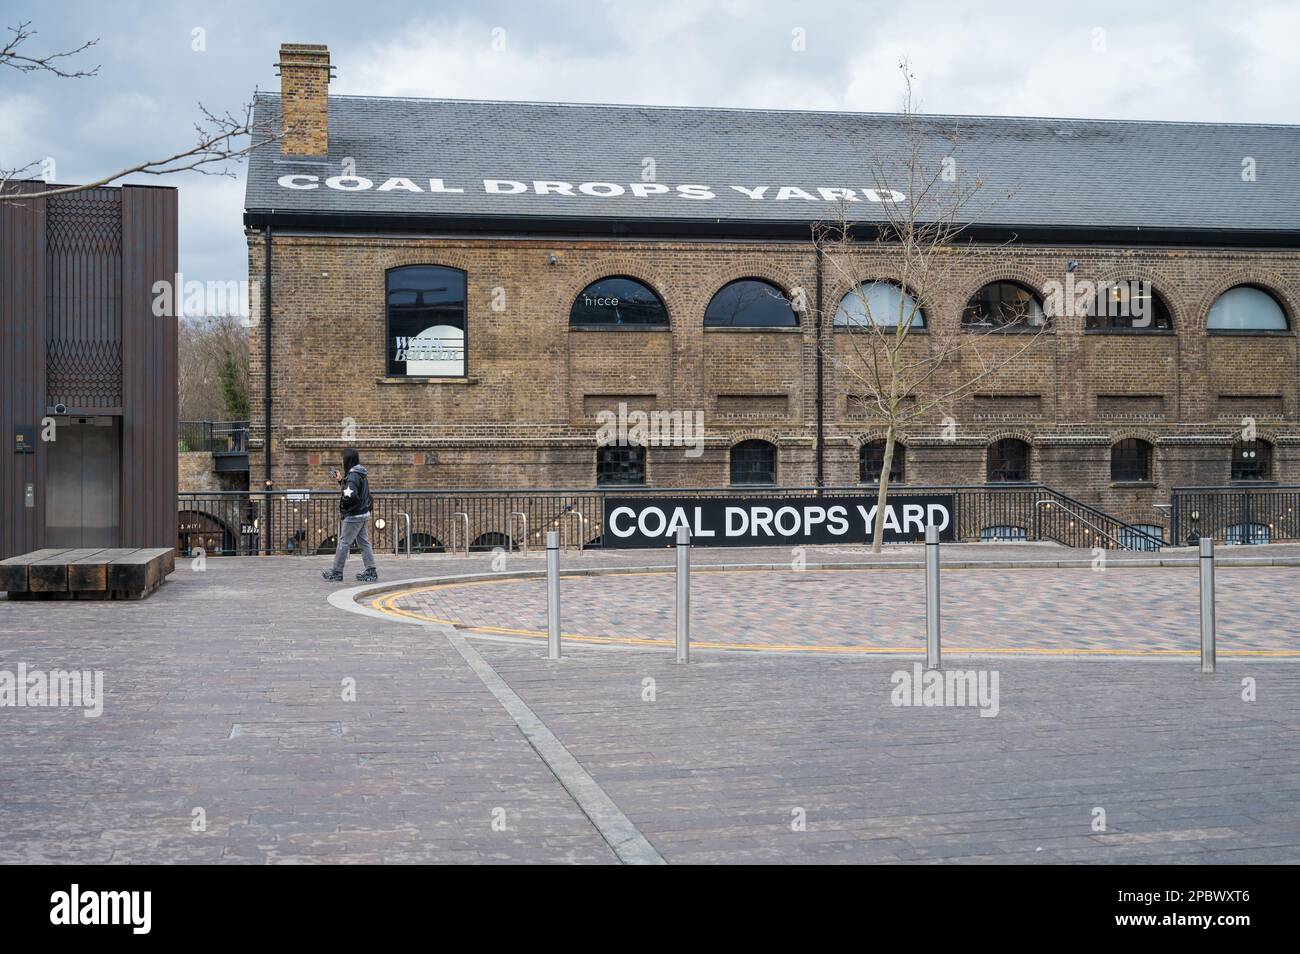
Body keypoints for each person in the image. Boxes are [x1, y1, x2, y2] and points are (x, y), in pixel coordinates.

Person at [321, 448, 378, 583]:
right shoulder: (360, 472)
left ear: (348, 459)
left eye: (343, 458)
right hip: (364, 513)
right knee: (364, 542)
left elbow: (351, 495)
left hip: (354, 516)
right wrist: (341, 480)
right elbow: (353, 489)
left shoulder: (352, 476)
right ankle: (371, 570)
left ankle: (336, 572)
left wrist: (346, 510)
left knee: (343, 543)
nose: (342, 461)